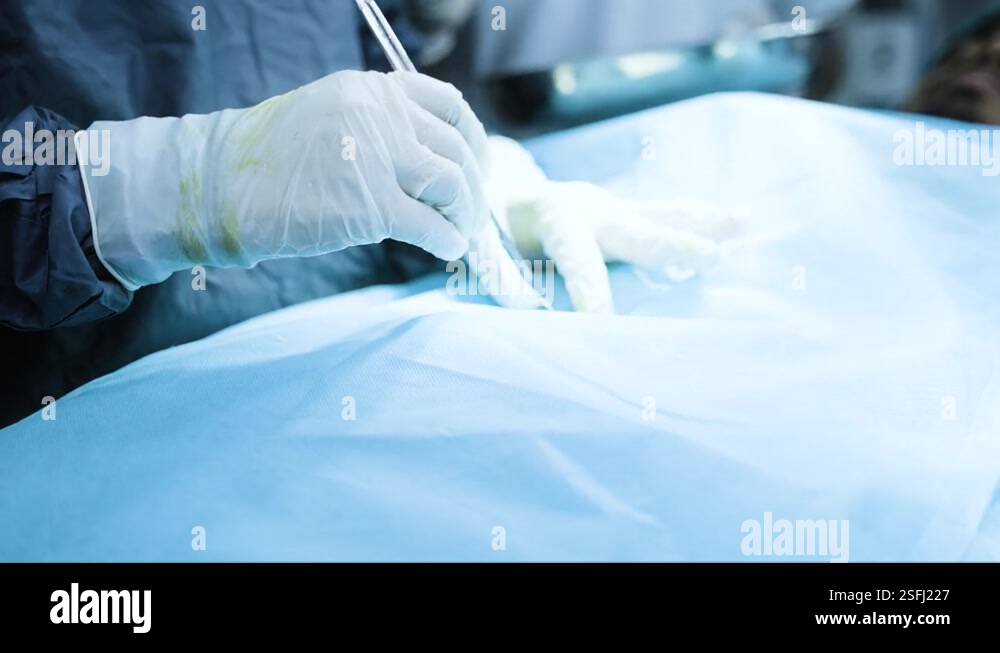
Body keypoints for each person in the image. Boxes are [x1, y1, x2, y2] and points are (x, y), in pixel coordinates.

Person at [0, 0, 732, 427]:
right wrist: (173, 185)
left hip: (345, 344)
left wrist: (482, 183)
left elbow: (363, 66)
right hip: (86, 415)